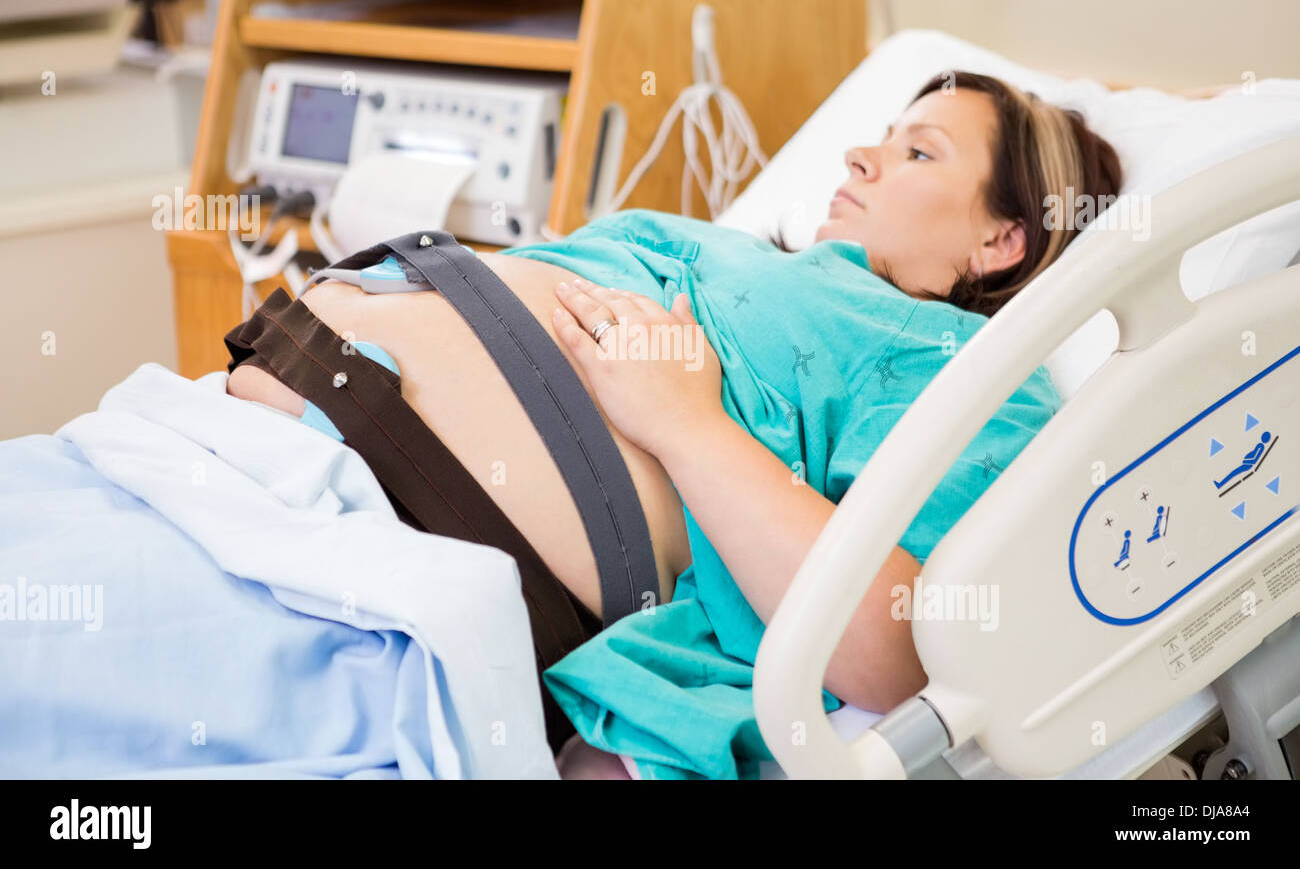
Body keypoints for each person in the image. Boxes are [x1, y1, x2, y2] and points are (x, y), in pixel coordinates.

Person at [226, 71, 1123, 778]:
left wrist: (686, 424)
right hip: (253, 438)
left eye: (918, 154)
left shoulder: (971, 369)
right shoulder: (735, 252)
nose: (858, 156)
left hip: (395, 531)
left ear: (1001, 240)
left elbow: (900, 646)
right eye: (881, 136)